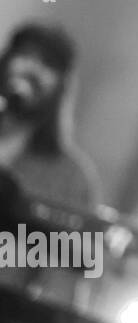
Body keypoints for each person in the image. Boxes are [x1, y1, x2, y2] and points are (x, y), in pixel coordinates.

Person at [0, 21, 101, 304]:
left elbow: (68, 280)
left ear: (61, 85)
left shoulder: (71, 177)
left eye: (46, 64)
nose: (30, 70)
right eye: (24, 56)